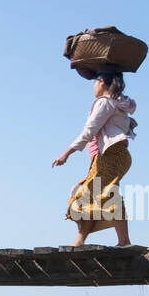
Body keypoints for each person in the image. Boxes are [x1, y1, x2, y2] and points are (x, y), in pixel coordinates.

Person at [52, 69, 138, 246]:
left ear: (103, 83)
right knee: (90, 196)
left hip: (110, 155)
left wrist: (66, 153)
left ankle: (124, 241)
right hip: (114, 156)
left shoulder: (105, 103)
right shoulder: (117, 103)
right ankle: (81, 240)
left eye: (95, 82)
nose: (93, 87)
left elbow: (89, 130)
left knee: (100, 194)